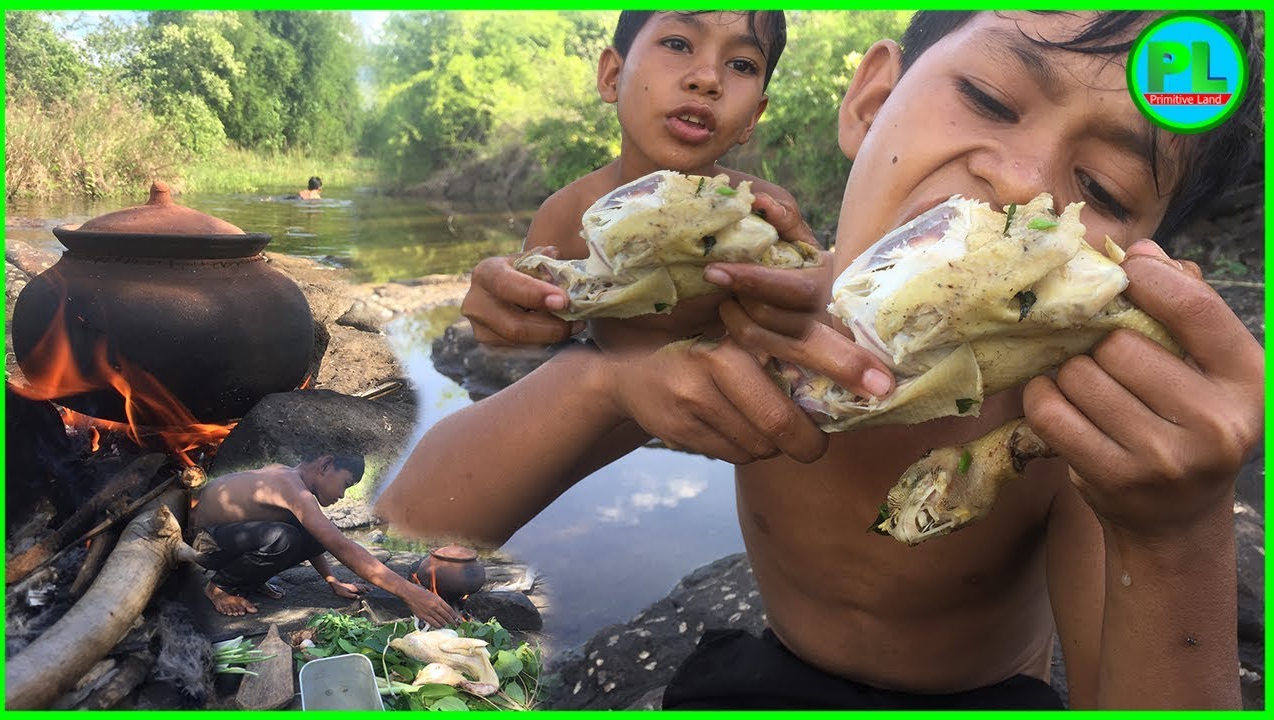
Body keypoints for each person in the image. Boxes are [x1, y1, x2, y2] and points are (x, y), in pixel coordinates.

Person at [380, 11, 1263, 709]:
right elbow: (414, 522)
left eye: (1104, 189)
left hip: (978, 698)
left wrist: (1176, 532)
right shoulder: (738, 306)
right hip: (772, 669)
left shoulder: (1066, 427)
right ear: (872, 100)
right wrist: (607, 376)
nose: (1026, 183)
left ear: (1139, 262)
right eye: (991, 100)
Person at [460, 10, 829, 355]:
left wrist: (818, 303)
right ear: (612, 77)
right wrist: (505, 326)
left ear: (753, 118)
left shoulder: (765, 215)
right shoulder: (567, 215)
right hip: (614, 420)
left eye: (741, 65)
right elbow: (531, 335)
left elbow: (814, 333)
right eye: (678, 44)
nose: (708, 79)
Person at [192, 454, 459, 629]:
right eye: (345, 484)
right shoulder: (291, 487)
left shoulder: (287, 476)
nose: (343, 495)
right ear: (325, 465)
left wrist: (332, 580)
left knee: (313, 531)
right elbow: (342, 546)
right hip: (203, 543)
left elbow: (321, 538)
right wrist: (410, 592)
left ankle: (249, 579)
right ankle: (219, 587)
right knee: (282, 538)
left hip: (231, 537)